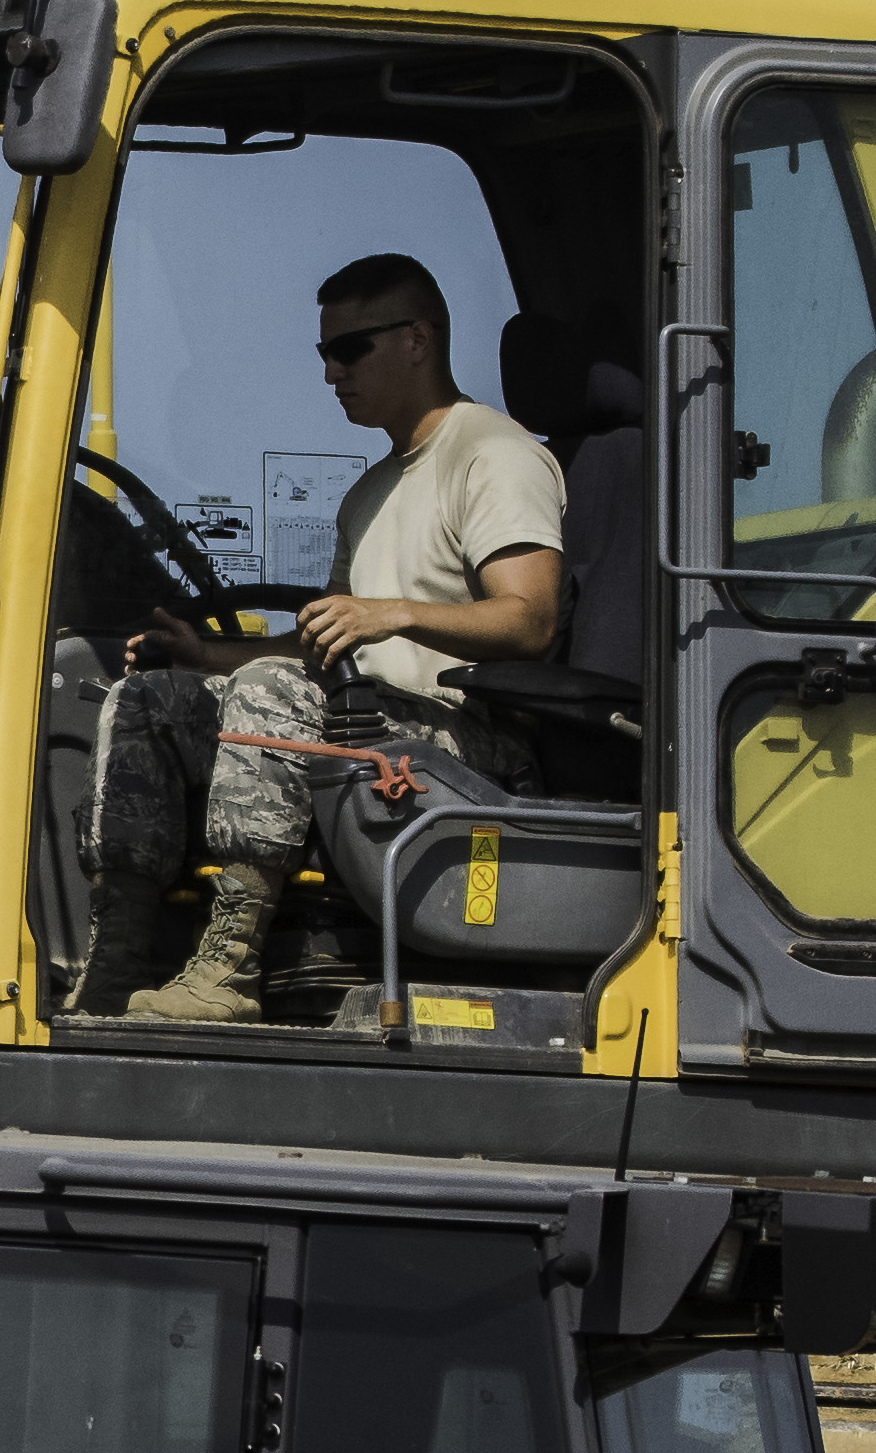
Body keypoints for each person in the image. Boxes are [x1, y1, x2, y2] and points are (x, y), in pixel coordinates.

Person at [101, 252, 570, 1027]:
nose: (330, 374)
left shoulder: (495, 455)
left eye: (349, 350)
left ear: (418, 340)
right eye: (324, 353)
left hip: (464, 746)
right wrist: (199, 655)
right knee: (149, 700)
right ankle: (117, 953)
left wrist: (392, 613)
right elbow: (326, 643)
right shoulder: (370, 490)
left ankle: (229, 962)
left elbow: (529, 619)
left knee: (267, 697)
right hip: (363, 721)